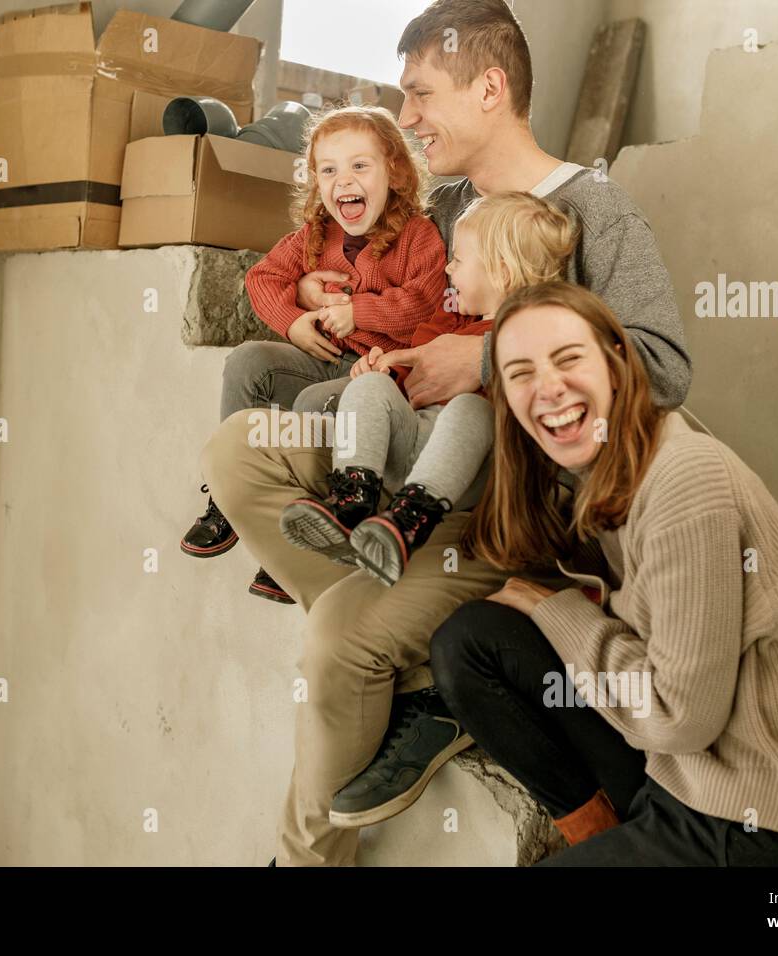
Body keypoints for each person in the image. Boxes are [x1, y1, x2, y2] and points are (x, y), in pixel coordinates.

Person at [201, 0, 691, 865]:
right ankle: (426, 660)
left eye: (420, 94)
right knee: (237, 447)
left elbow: (665, 366)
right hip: (404, 479)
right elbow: (348, 249)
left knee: (337, 643)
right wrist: (319, 303)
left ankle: (312, 846)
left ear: (490, 86)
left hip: (506, 522)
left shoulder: (593, 209)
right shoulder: (439, 207)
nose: (409, 117)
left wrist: (488, 360)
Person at [433, 280, 778, 866]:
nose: (549, 387)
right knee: (471, 640)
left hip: (743, 814)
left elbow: (681, 717)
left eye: (568, 359)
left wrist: (555, 610)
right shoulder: (609, 468)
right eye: (521, 372)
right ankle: (603, 834)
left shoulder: (685, 482)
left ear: (617, 361)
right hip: (671, 773)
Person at [181, 105, 446, 605]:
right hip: (326, 357)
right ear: (316, 182)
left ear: (396, 172)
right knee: (248, 361)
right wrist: (294, 321)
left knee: (314, 404)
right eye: (329, 170)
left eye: (360, 166)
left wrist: (361, 311)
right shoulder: (315, 236)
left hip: (379, 378)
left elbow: (424, 304)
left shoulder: (418, 236)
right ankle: (225, 498)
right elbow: (261, 279)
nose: (344, 180)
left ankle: (296, 544)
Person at [279, 192, 577, 588]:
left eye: (458, 260)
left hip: (475, 472)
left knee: (470, 409)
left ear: (501, 274)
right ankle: (352, 498)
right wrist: (386, 369)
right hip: (414, 443)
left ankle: (409, 523)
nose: (448, 270)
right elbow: (416, 361)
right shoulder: (453, 313)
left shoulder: (536, 331)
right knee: (369, 385)